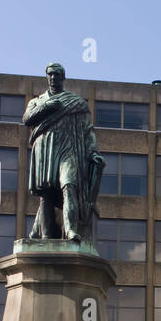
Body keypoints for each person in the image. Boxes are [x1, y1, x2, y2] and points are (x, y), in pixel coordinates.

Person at [24, 62, 105, 243]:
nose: (54, 78)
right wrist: (47, 107)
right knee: (46, 194)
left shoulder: (76, 103)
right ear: (47, 77)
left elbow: (87, 129)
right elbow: (27, 119)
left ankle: (71, 230)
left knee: (70, 185)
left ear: (63, 77)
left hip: (68, 149)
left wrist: (93, 151)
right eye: (51, 74)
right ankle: (45, 237)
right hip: (45, 149)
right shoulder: (37, 102)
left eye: (57, 74)